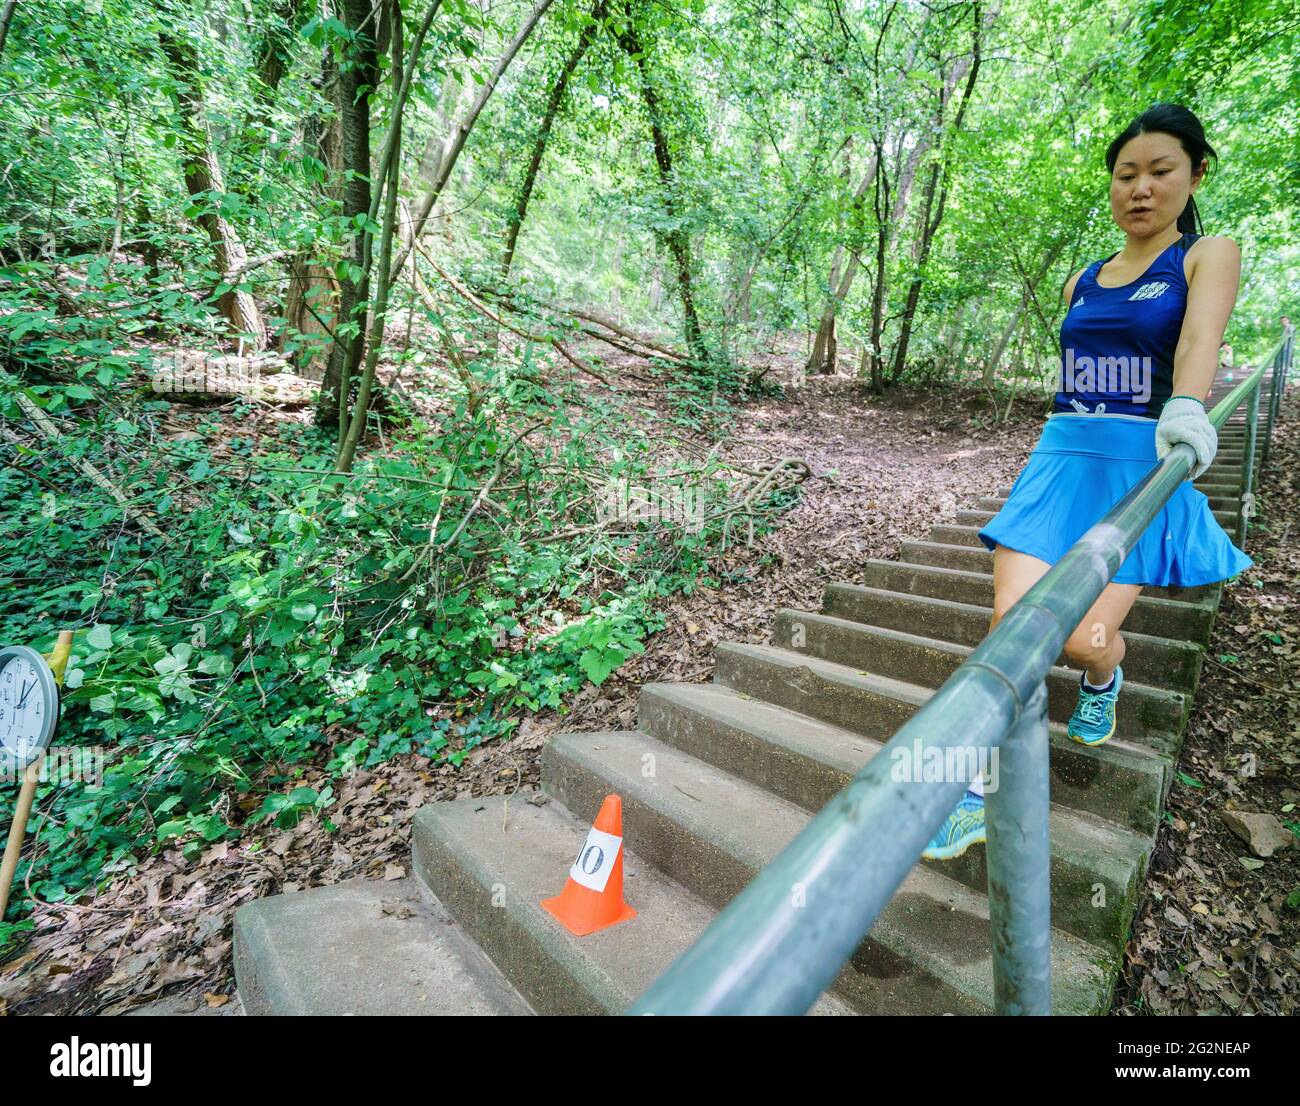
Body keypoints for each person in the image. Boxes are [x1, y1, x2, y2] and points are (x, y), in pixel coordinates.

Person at [924, 103, 1252, 861]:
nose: (1140, 188)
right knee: (1013, 617)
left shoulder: (1207, 254)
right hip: (1062, 455)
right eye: (1125, 174)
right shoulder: (1083, 276)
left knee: (1081, 636)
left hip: (1142, 462)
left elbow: (1200, 338)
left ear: (1195, 173)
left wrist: (1185, 411)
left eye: (1160, 172)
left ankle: (1106, 676)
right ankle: (977, 786)